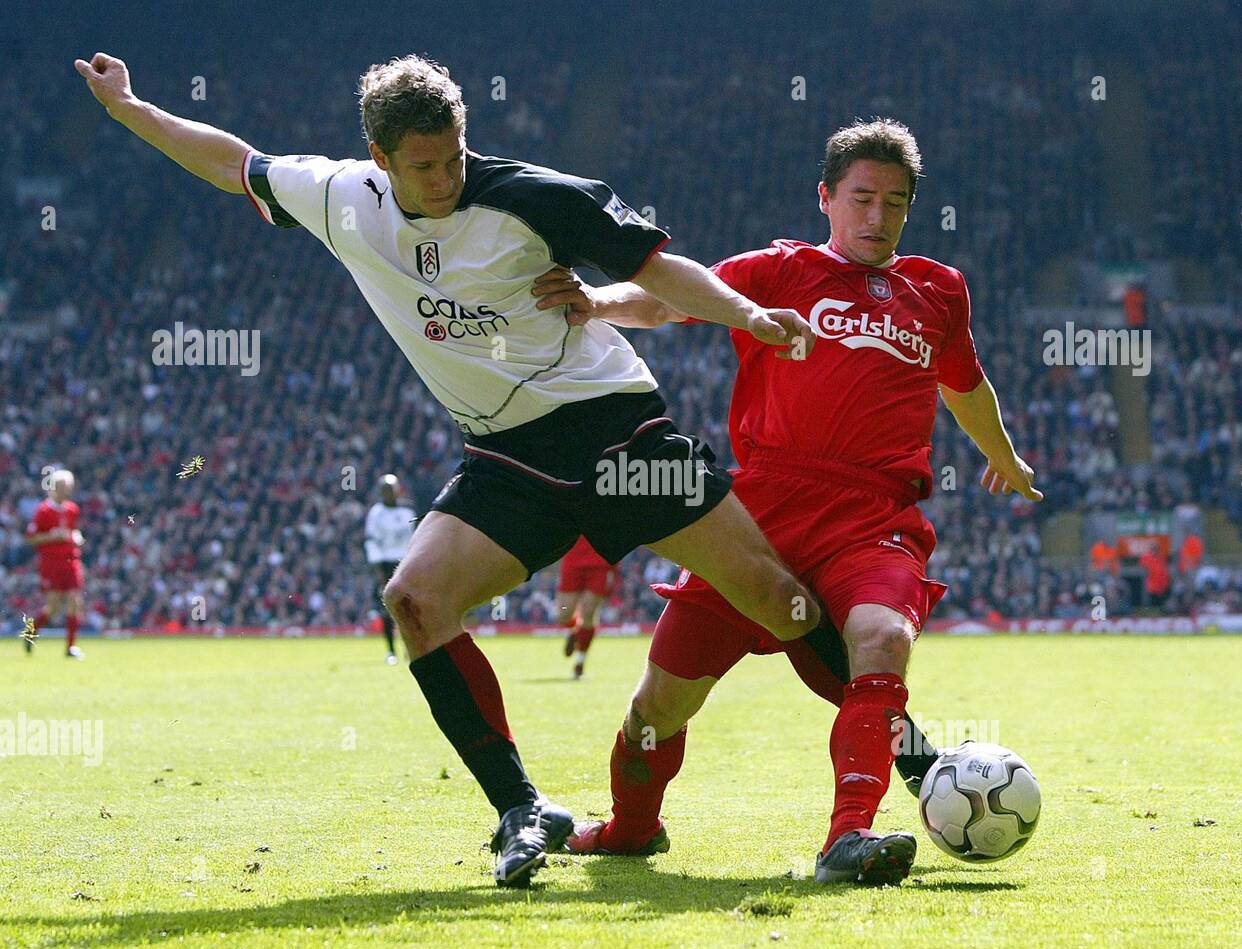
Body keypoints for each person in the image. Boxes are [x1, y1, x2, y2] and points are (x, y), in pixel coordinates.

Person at [77, 50, 840, 888]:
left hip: (610, 426)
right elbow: (233, 161)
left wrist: (746, 314)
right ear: (380, 160)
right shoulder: (340, 198)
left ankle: (912, 756)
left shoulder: (533, 195)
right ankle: (520, 809)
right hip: (506, 453)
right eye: (423, 166)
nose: (445, 177)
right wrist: (132, 111)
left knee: (776, 594)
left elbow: (656, 270)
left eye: (454, 156)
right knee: (414, 599)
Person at [534, 118, 1043, 884]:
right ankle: (633, 829)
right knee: (656, 711)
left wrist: (1003, 456)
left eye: (895, 204)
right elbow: (672, 298)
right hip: (757, 518)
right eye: (863, 198)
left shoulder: (938, 289)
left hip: (875, 518)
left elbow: (963, 383)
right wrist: (596, 304)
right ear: (827, 198)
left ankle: (849, 838)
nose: (878, 218)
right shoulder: (779, 271)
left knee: (880, 636)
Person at [25, 469, 86, 659]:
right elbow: (31, 538)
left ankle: (70, 647)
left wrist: (77, 536)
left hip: (71, 560)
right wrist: (50, 536)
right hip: (51, 563)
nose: (65, 490)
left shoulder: (72, 509)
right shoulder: (44, 510)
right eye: (62, 486)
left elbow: (74, 530)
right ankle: (30, 632)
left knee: (75, 600)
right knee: (53, 607)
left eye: (67, 486)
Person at [364, 474, 416, 664]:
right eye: (385, 490)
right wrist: (378, 569)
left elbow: (415, 539)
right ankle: (391, 651)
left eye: (392, 489)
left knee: (410, 608)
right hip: (385, 565)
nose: (389, 493)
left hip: (405, 563)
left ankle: (411, 649)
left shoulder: (407, 512)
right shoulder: (376, 513)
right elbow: (371, 541)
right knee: (388, 609)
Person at [555, 536, 621, 679]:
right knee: (563, 615)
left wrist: (614, 567)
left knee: (589, 612)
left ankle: (580, 662)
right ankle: (574, 631)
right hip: (573, 559)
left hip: (600, 561)